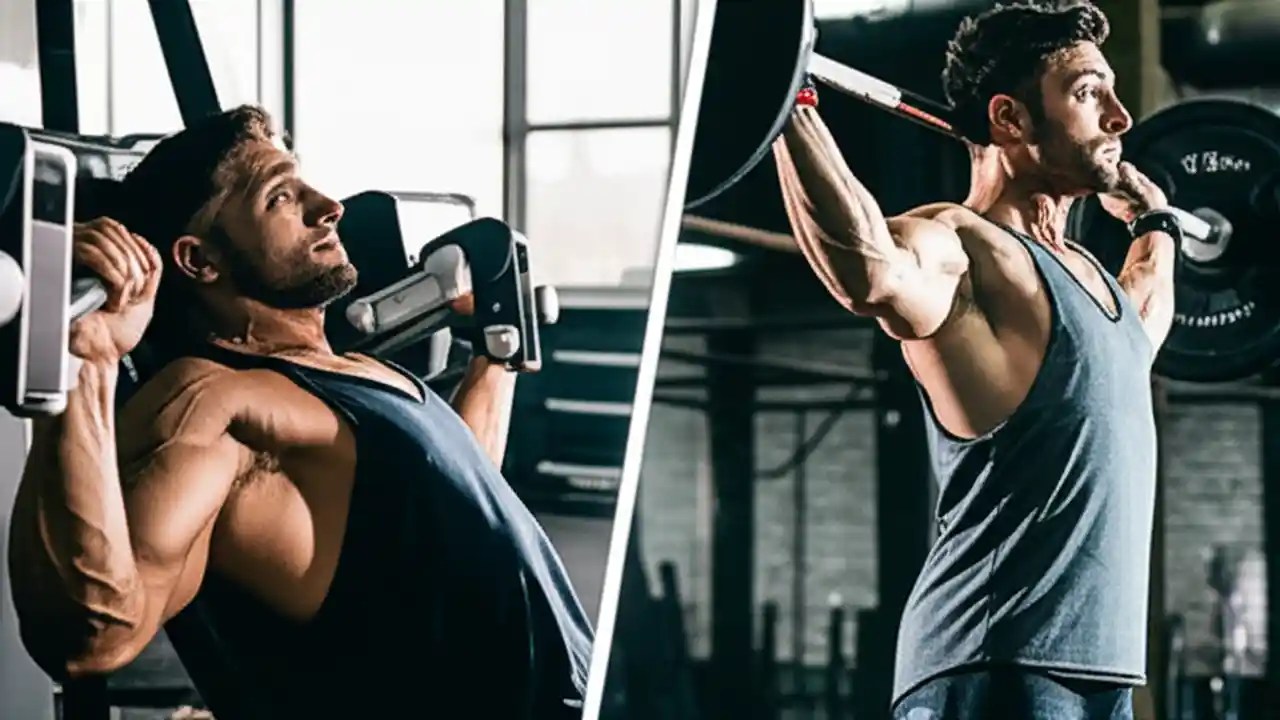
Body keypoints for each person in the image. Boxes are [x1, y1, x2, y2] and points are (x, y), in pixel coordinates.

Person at [8, 105, 593, 719]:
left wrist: (494, 355)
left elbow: (454, 501)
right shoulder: (213, 401)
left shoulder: (359, 371)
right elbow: (94, 637)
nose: (328, 205)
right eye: (281, 198)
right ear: (199, 260)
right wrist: (88, 360)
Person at [773, 3, 1180, 719]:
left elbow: (1146, 313)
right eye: (1089, 93)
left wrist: (1156, 221)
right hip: (993, 662)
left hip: (1099, 673)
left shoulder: (1092, 279)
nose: (1120, 117)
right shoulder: (962, 245)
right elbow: (872, 268)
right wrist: (789, 102)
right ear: (1010, 119)